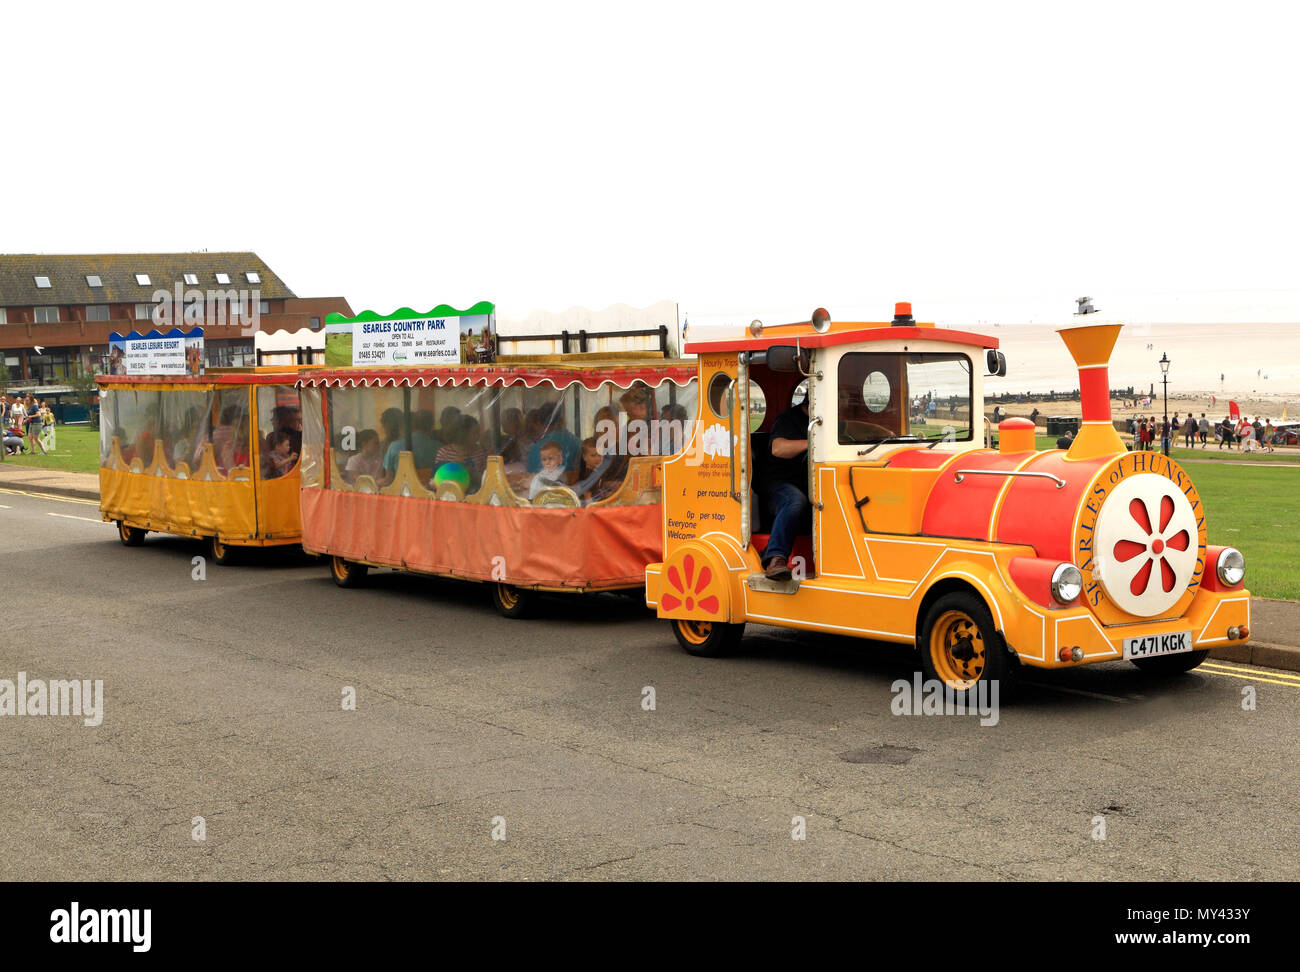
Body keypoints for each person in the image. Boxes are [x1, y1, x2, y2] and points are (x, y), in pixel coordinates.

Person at [762, 394, 811, 581]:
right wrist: (812, 443)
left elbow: (854, 428)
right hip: (780, 486)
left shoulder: (830, 421)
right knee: (795, 502)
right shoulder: (788, 419)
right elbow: (778, 448)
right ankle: (775, 558)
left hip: (811, 484)